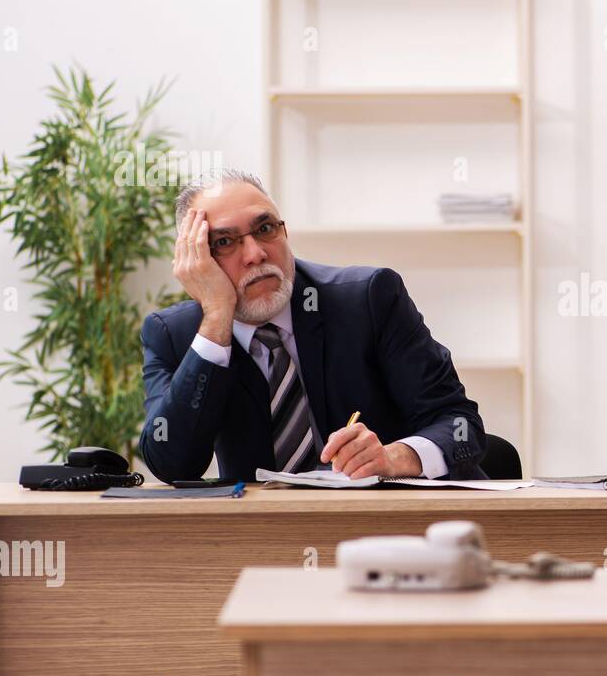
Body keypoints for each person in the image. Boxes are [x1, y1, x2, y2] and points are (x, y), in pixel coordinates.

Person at [139, 169, 486, 482]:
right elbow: (172, 464)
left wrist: (395, 456)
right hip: (259, 538)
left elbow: (459, 424)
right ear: (195, 259)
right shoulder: (176, 334)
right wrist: (216, 316)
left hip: (388, 529)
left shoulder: (368, 299)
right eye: (225, 242)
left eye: (264, 229)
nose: (256, 253)